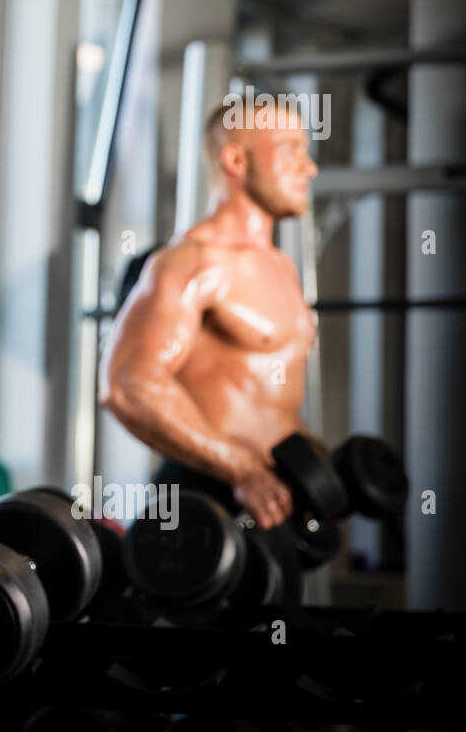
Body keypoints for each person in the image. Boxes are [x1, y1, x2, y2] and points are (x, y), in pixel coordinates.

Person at [100, 95, 321, 597]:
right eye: (289, 150)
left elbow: (266, 404)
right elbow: (128, 383)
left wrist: (316, 467)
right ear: (236, 159)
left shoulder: (282, 269)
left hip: (266, 507)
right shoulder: (190, 263)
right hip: (198, 510)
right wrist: (239, 467)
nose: (308, 167)